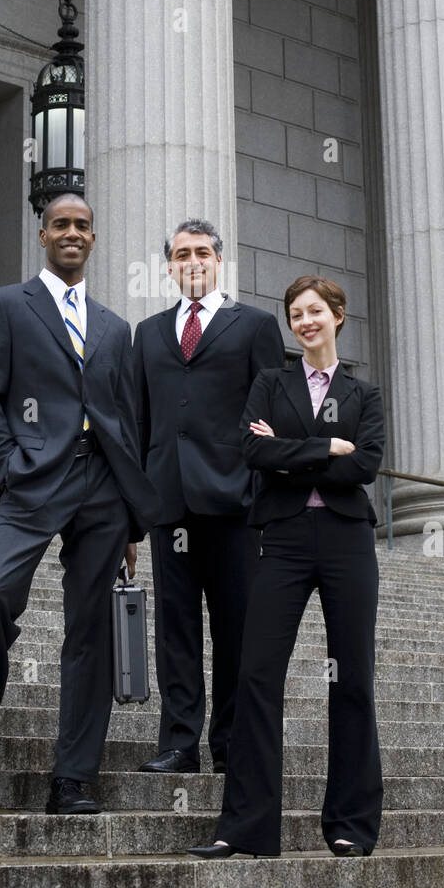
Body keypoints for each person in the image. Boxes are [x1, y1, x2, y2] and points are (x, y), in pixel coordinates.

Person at [0, 194, 161, 815]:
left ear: (93, 237)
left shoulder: (115, 327)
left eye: (82, 225)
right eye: (61, 224)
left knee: (89, 632)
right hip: (32, 482)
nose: (72, 233)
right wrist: (10, 463)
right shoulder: (6, 305)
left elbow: (126, 421)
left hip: (103, 489)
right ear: (43, 234)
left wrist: (133, 517)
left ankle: (73, 776)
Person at [188, 275, 385, 859]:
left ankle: (351, 823)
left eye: (315, 312)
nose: (305, 322)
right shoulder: (270, 383)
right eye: (296, 314)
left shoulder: (364, 395)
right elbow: (253, 452)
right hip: (284, 538)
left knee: (352, 677)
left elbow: (367, 464)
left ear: (338, 317)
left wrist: (290, 451)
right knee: (256, 675)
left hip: (348, 541)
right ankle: (245, 827)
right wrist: (326, 447)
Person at [133, 219, 285, 775]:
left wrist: (261, 496)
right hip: (168, 503)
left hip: (235, 505)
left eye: (202, 252)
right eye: (180, 254)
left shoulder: (255, 326)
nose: (191, 261)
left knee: (236, 628)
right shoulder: (147, 334)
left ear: (218, 260)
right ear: (169, 266)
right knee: (176, 627)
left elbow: (272, 418)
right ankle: (179, 742)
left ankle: (232, 742)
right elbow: (141, 420)